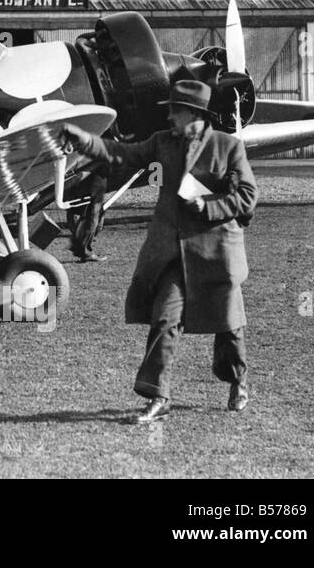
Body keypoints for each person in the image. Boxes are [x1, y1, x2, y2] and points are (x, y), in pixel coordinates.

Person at [61, 79, 257, 424]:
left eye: (175, 110)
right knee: (164, 320)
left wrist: (207, 205)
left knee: (229, 328)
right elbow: (121, 153)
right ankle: (158, 396)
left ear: (195, 114)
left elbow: (247, 198)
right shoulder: (162, 143)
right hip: (172, 256)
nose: (169, 116)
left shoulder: (228, 147)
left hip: (216, 254)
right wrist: (84, 140)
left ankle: (238, 381)